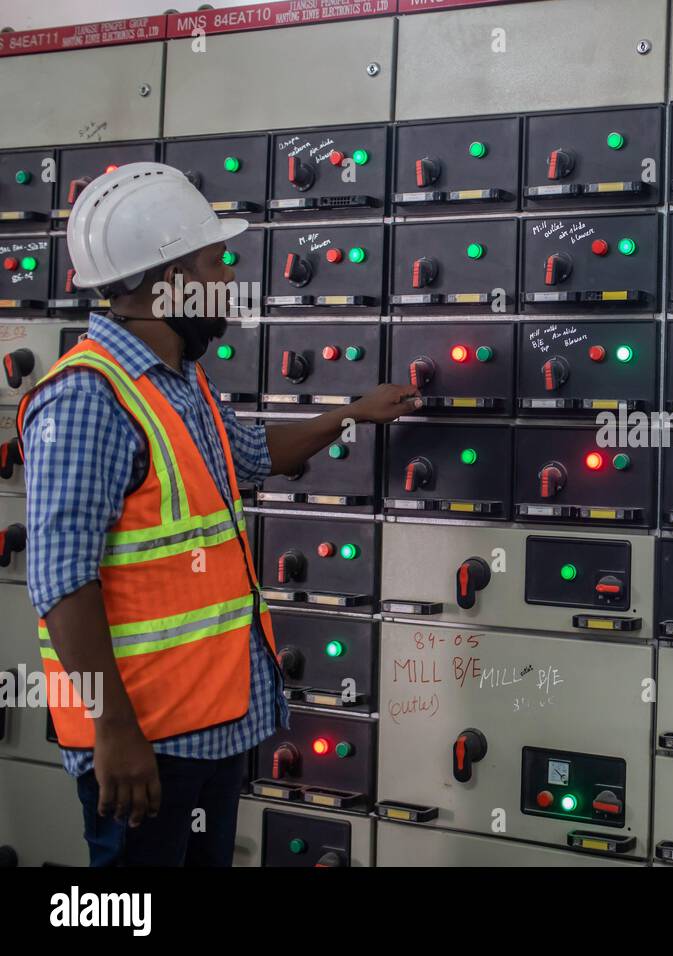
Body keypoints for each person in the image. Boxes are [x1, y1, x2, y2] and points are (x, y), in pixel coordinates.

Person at [17, 162, 418, 866]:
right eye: (215, 261)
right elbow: (60, 579)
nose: (229, 278)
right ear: (166, 280)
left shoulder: (179, 381)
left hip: (212, 729)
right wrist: (113, 729)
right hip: (144, 744)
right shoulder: (88, 397)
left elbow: (252, 454)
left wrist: (350, 415)